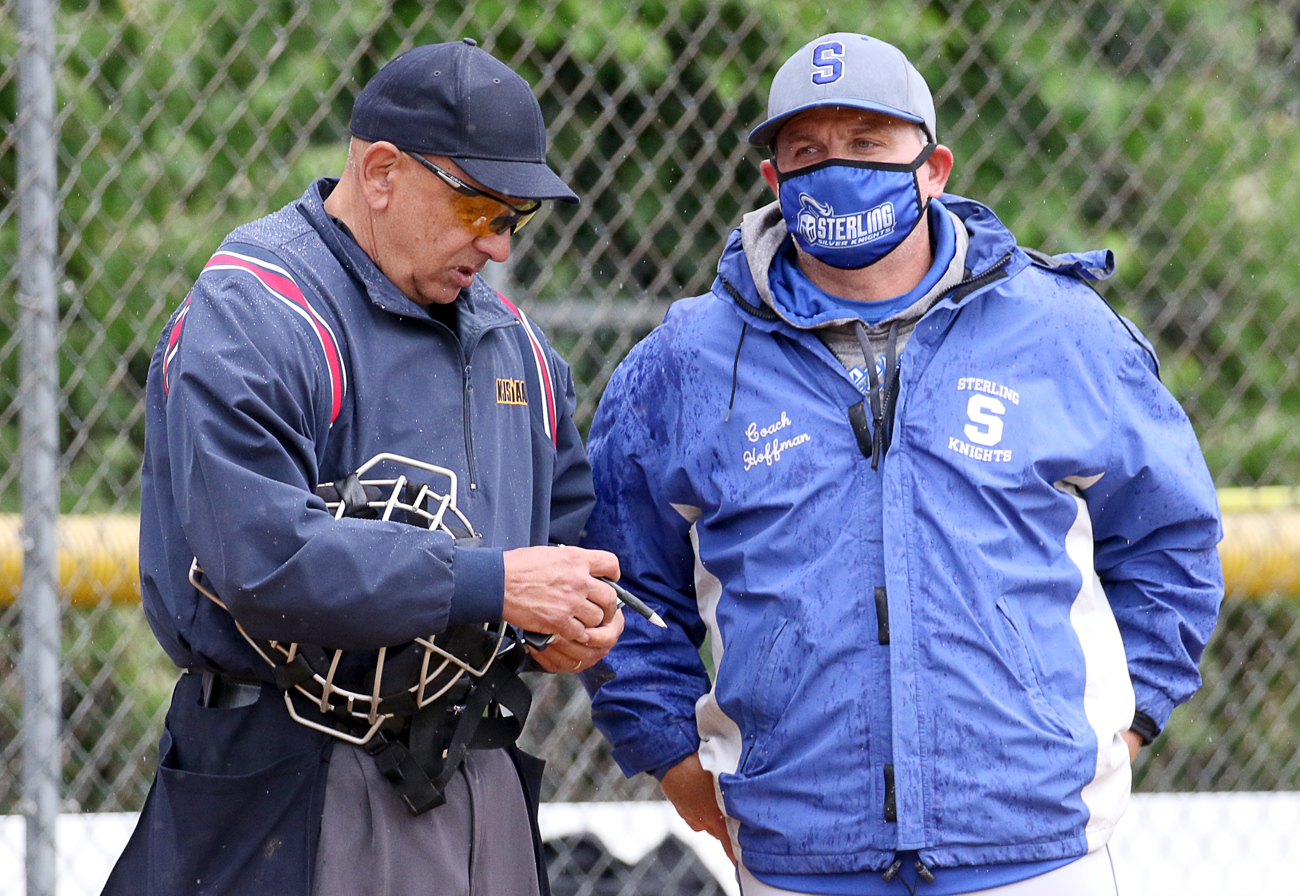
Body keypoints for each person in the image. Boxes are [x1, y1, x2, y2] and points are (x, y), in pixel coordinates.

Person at [580, 32, 1222, 896]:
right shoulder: (685, 363)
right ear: (772, 178)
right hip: (800, 858)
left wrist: (1120, 731)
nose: (836, 168)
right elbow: (618, 587)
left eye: (867, 143)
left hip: (1036, 853)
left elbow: (1173, 543)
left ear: (933, 169)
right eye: (807, 151)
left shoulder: (1062, 331)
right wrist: (673, 759)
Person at [104, 39, 625, 896]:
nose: (497, 246)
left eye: (514, 218)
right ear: (381, 172)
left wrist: (567, 624)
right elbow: (264, 557)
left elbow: (568, 538)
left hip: (475, 774)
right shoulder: (261, 309)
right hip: (292, 774)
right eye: (479, 207)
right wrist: (493, 585)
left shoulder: (517, 346)